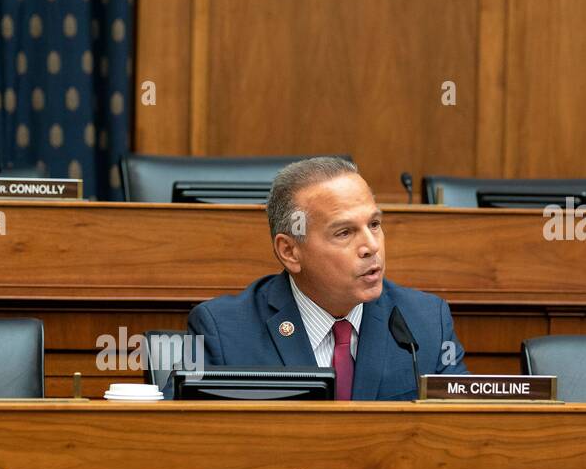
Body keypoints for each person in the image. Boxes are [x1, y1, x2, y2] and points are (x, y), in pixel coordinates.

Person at [185, 156, 466, 400]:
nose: (372, 246)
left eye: (374, 224)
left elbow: (462, 433)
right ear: (290, 251)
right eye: (344, 232)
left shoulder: (426, 323)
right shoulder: (223, 332)